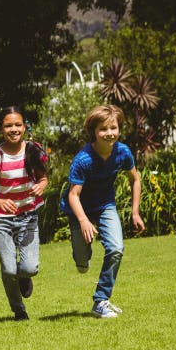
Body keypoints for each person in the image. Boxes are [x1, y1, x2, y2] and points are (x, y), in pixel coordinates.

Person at [60, 104, 145, 318]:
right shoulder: (83, 160)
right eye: (103, 129)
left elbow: (135, 179)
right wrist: (83, 220)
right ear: (94, 132)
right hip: (79, 209)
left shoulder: (123, 152)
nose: (109, 133)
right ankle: (82, 256)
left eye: (113, 128)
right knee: (82, 261)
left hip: (105, 205)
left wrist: (135, 212)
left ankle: (101, 301)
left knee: (116, 248)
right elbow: (73, 195)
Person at [0, 106, 49, 321]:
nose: (13, 129)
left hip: (28, 216)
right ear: (1, 129)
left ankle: (24, 276)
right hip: (2, 220)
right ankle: (19, 309)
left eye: (18, 124)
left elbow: (43, 178)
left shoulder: (33, 150)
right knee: (8, 270)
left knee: (30, 268)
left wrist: (41, 186)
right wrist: (0, 202)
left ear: (25, 127)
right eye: (8, 126)